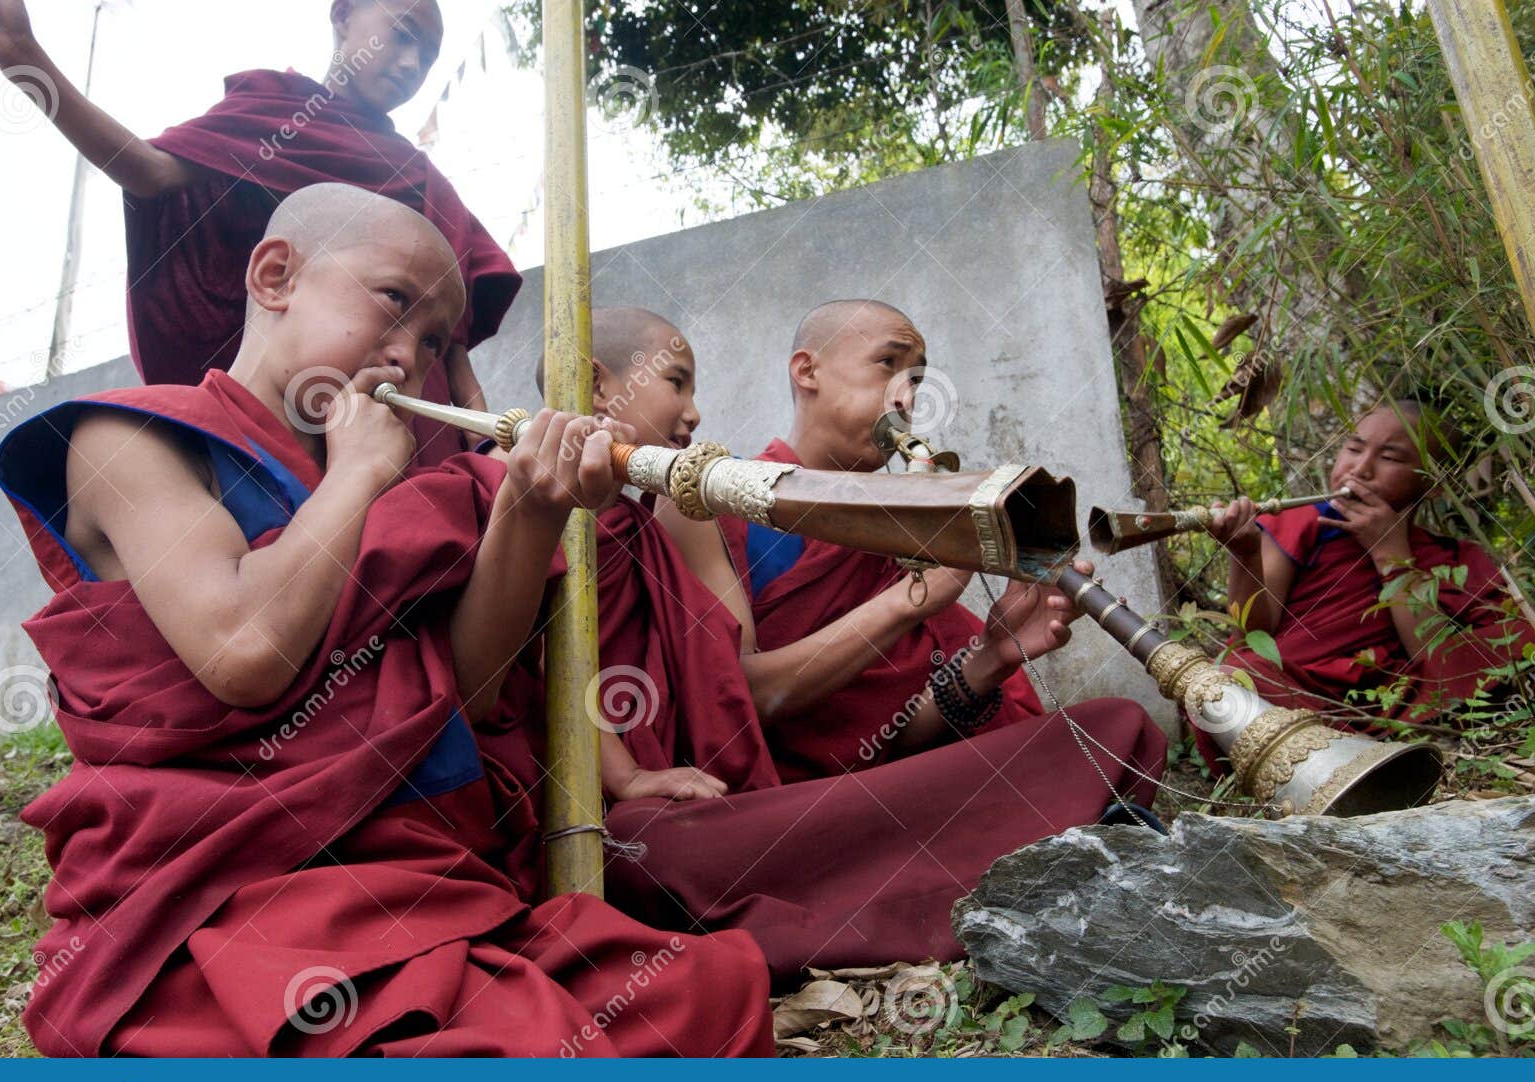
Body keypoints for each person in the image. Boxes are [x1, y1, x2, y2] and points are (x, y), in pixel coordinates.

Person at [0, 188, 772, 1058]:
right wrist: (357, 475)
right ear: (276, 275)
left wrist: (527, 507)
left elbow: (466, 697)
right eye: (394, 303)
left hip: (411, 886)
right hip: (235, 904)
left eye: (436, 341)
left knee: (705, 993)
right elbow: (242, 652)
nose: (407, 355)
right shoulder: (128, 440)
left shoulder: (398, 482)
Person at [490, 307, 1169, 982]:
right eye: (889, 364)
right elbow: (742, 693)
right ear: (805, 371)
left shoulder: (886, 534)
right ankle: (1026, 857)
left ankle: (1030, 846)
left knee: (1110, 728)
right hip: (720, 813)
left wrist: (986, 662)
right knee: (653, 848)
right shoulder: (699, 501)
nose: (908, 397)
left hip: (822, 804)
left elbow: (884, 739)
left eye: (919, 379)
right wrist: (910, 602)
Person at [0, 0, 519, 467]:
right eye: (403, 34)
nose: (411, 63)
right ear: (343, 15)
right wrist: (22, 57)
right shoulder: (278, 111)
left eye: (427, 55)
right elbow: (150, 173)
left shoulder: (422, 177)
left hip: (410, 424)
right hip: (288, 419)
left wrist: (486, 441)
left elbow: (448, 348)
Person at [1201, 399, 1531, 756]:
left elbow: (1432, 653)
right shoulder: (1304, 522)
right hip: (1292, 696)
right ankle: (1353, 756)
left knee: (1526, 639)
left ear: (1435, 483)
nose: (1360, 468)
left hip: (1392, 710)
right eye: (1354, 448)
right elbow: (1251, 633)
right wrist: (1245, 552)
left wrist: (1390, 551)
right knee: (1234, 680)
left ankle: (1377, 754)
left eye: (1389, 457)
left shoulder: (1455, 559)